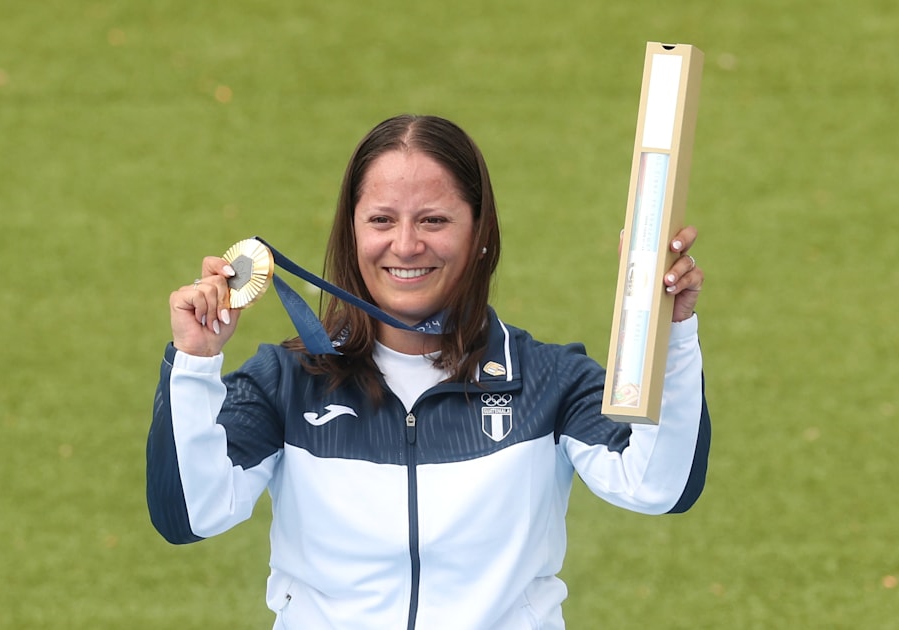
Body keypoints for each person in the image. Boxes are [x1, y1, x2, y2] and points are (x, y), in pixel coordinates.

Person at [146, 114, 710, 629]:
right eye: (382, 220)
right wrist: (195, 362)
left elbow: (659, 485)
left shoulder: (546, 379)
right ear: (353, 232)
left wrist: (670, 327)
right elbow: (189, 513)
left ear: (479, 231)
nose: (407, 245)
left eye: (434, 220)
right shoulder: (288, 380)